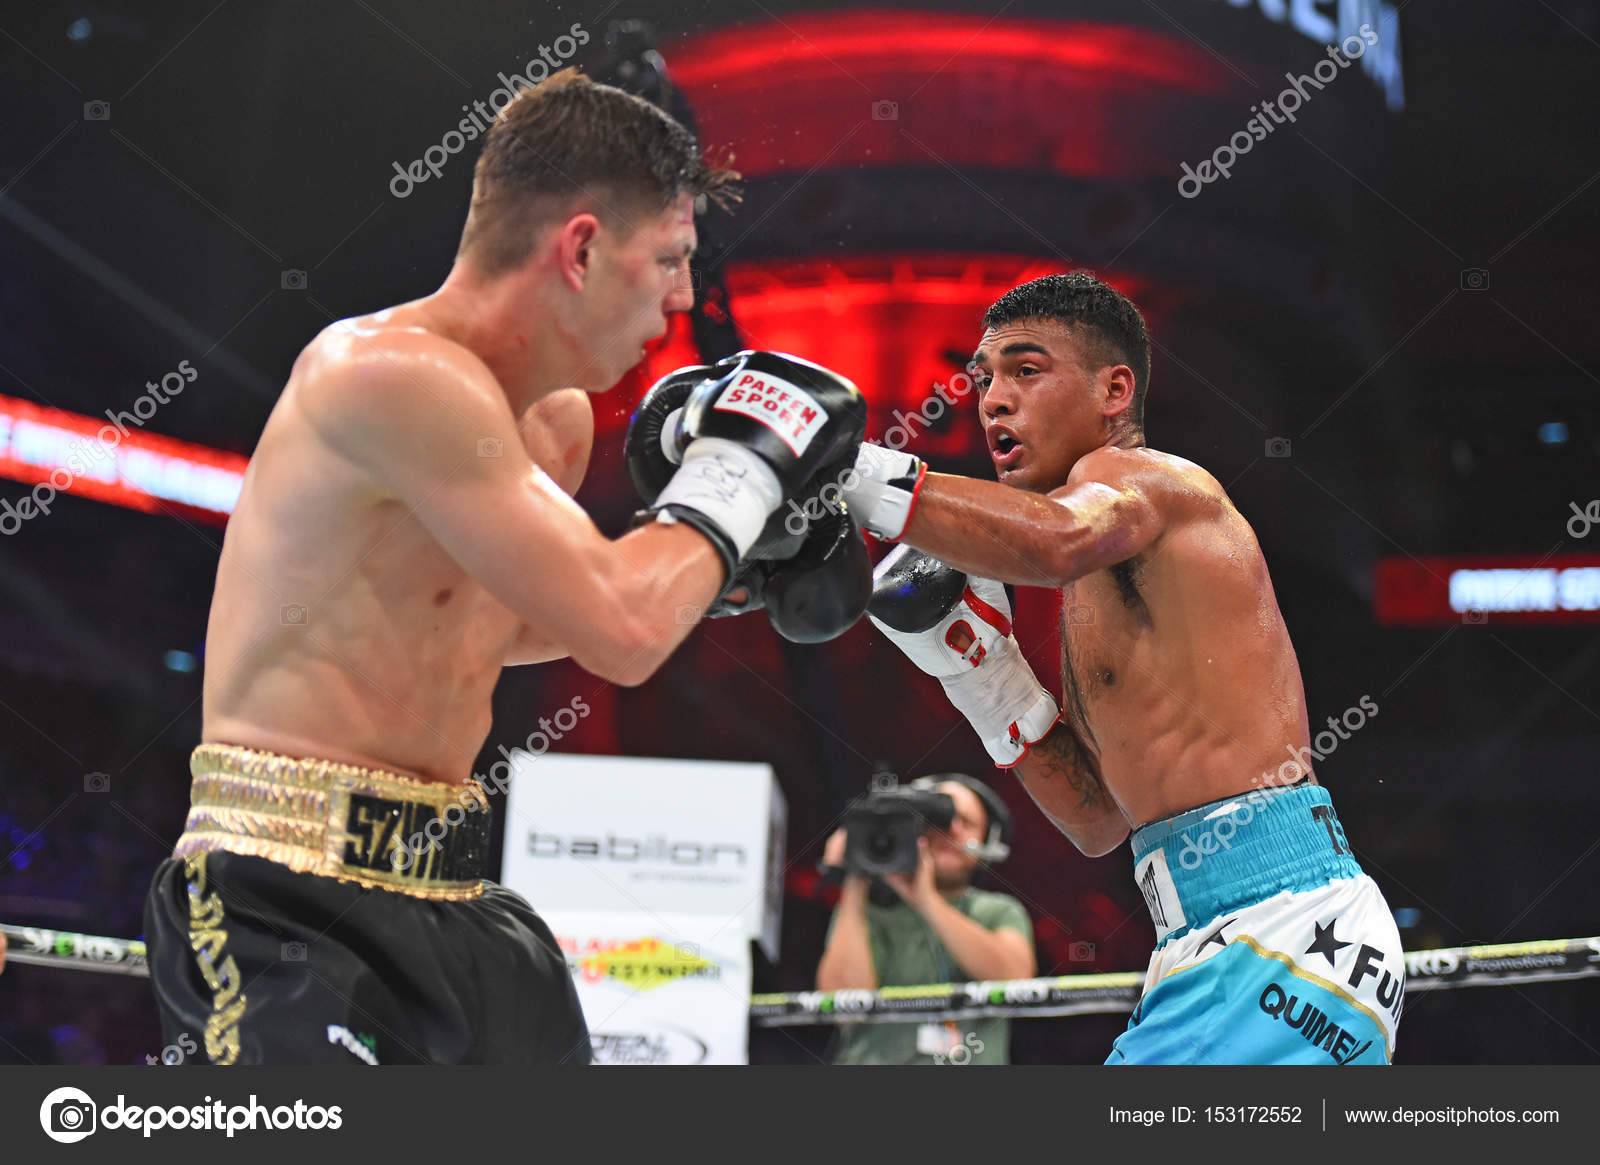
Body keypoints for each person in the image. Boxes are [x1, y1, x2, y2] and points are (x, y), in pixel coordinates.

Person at [142, 69, 865, 1065]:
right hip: (286, 896)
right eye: (668, 259)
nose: (683, 297)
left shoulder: (551, 421)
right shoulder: (388, 377)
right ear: (580, 248)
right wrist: (740, 475)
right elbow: (620, 630)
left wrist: (725, 579)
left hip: (461, 901)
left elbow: (517, 622)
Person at [845, 272, 1404, 1064]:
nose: (994, 399)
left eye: (1027, 370)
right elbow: (1097, 819)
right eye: (986, 378)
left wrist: (843, 468)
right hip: (1232, 939)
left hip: (1279, 936)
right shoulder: (1098, 580)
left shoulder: (1142, 483)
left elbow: (1050, 541)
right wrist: (977, 667)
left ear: (1115, 390)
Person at [815, 775, 1035, 1064]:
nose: (952, 830)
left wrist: (925, 899)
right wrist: (856, 875)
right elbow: (841, 1005)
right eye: (940, 819)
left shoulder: (998, 911)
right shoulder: (866, 913)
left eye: (966, 823)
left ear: (986, 842)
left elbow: (1015, 980)